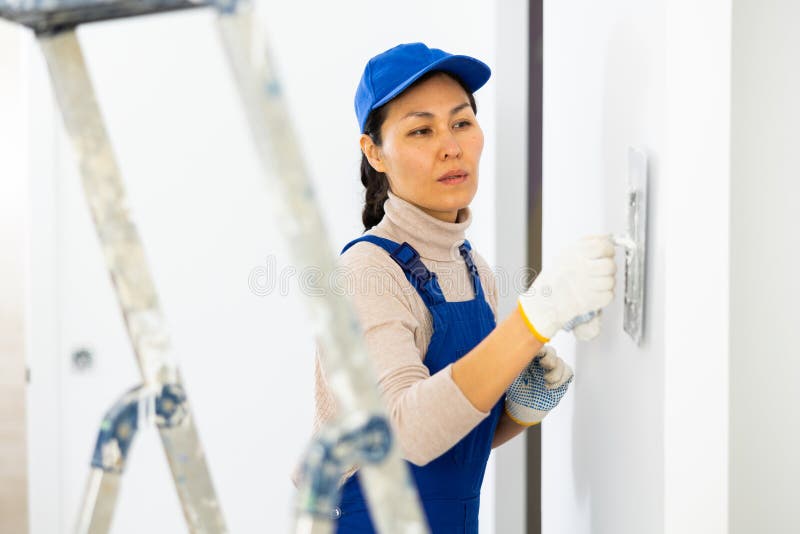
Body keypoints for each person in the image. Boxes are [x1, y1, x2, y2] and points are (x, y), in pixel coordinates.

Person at [306, 42, 616, 533]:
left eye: (461, 122)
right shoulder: (366, 272)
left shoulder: (474, 268)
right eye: (421, 130)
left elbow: (453, 432)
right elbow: (408, 433)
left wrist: (519, 410)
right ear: (374, 152)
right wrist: (536, 317)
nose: (450, 146)